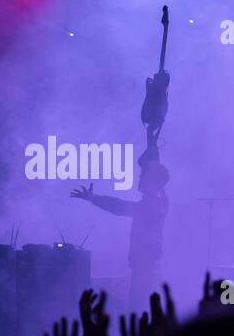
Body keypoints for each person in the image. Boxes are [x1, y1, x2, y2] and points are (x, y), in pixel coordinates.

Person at [71, 123, 169, 309]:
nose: (139, 177)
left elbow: (119, 207)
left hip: (144, 267)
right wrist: (151, 140)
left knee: (139, 309)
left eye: (143, 175)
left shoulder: (149, 207)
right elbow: (156, 169)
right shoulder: (162, 200)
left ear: (152, 181)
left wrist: (93, 198)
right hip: (147, 265)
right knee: (144, 309)